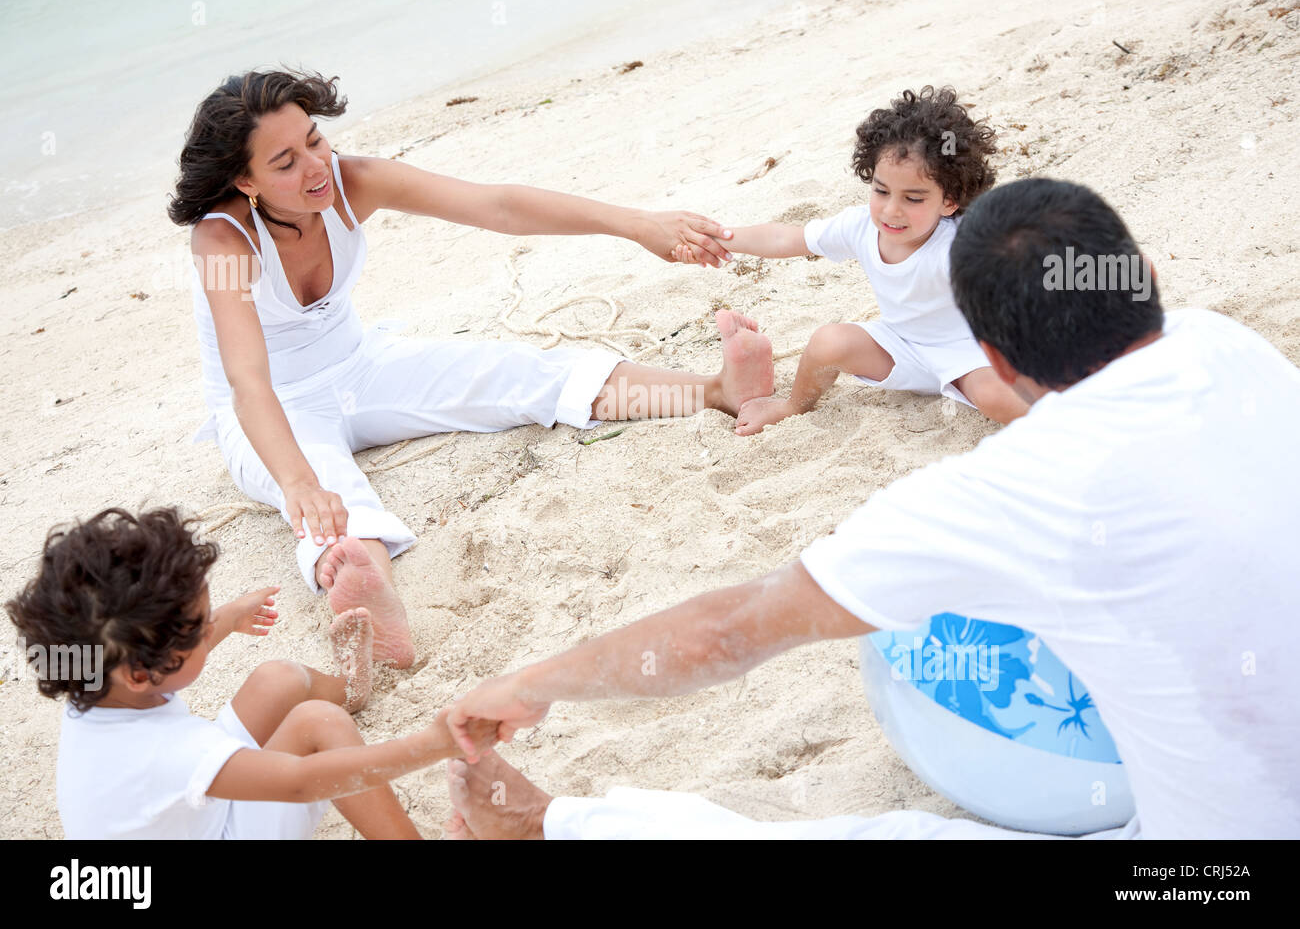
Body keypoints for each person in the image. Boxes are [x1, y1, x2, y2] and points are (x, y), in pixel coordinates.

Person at [442, 178, 1300, 839]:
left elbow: (727, 632)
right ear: (1144, 277)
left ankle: (552, 827)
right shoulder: (1229, 344)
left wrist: (529, 684)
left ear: (993, 361)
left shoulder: (1013, 492)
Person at [171, 69, 775, 667]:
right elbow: (248, 381)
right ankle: (368, 604)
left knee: (512, 371)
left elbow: (498, 206)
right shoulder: (220, 245)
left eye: (314, 139)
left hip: (363, 366)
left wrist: (637, 224)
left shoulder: (354, 181)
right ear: (244, 179)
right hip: (271, 411)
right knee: (333, 496)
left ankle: (717, 392)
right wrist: (298, 481)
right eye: (285, 162)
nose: (315, 165)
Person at [5, 507, 497, 839]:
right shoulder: (167, 752)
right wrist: (434, 743)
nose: (211, 624)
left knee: (276, 677)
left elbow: (153, 659)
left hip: (186, 816)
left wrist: (225, 621)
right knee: (319, 724)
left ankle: (354, 686)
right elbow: (302, 781)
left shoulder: (91, 673)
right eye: (200, 626)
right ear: (141, 672)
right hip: (213, 826)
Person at [673, 86, 1026, 435]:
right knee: (829, 342)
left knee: (996, 397)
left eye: (913, 198)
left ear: (949, 202)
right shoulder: (858, 226)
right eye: (882, 190)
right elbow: (785, 238)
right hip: (902, 347)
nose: (891, 210)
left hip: (970, 357)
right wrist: (717, 238)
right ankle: (791, 406)